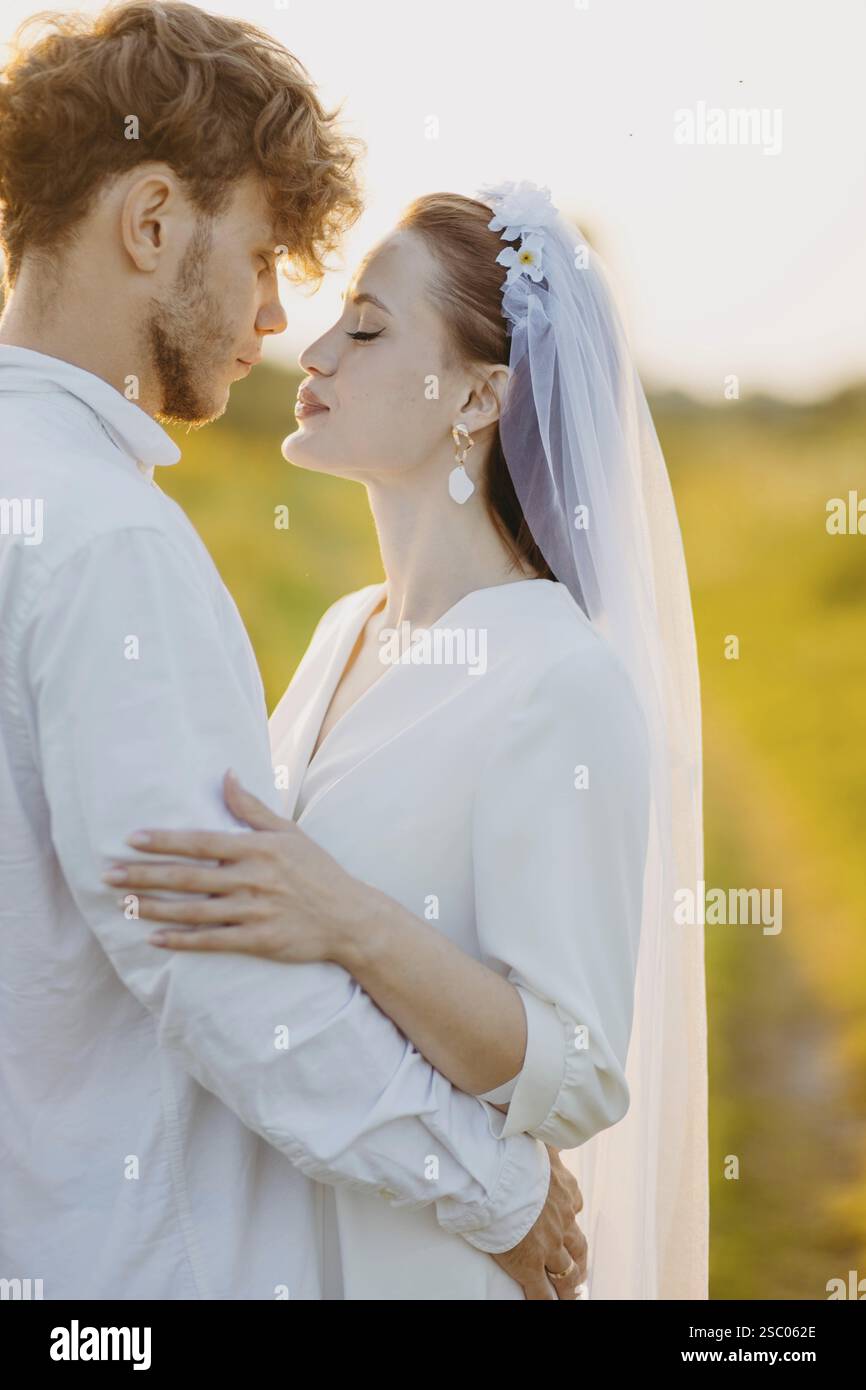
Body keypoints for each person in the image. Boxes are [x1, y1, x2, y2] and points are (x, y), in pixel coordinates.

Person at [0, 3, 585, 1302]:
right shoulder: (109, 544)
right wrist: (493, 1190)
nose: (274, 314)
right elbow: (210, 963)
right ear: (151, 221)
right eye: (262, 255)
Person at [112, 181, 709, 1298]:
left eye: (369, 327)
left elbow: (573, 1072)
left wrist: (343, 915)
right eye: (337, 317)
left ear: (478, 397)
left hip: (422, 1267)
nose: (313, 350)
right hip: (286, 1239)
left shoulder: (561, 683)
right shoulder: (346, 632)